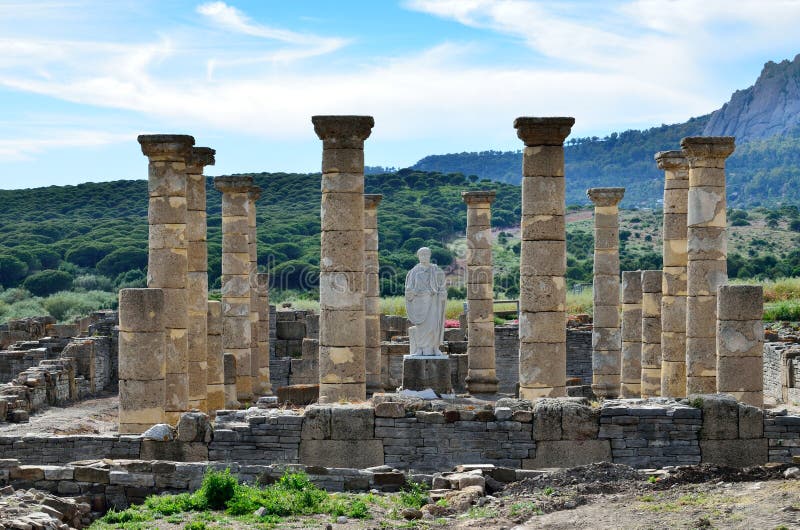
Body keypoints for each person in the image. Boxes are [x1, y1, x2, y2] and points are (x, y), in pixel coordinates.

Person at [404, 247, 447, 356]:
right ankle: (420, 348)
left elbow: (442, 285)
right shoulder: (413, 272)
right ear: (418, 256)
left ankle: (435, 347)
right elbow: (408, 289)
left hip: (433, 301)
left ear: (429, 256)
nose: (424, 257)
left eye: (426, 254)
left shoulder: (436, 270)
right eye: (422, 255)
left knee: (434, 325)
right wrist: (413, 292)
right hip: (419, 302)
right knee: (421, 327)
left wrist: (442, 292)